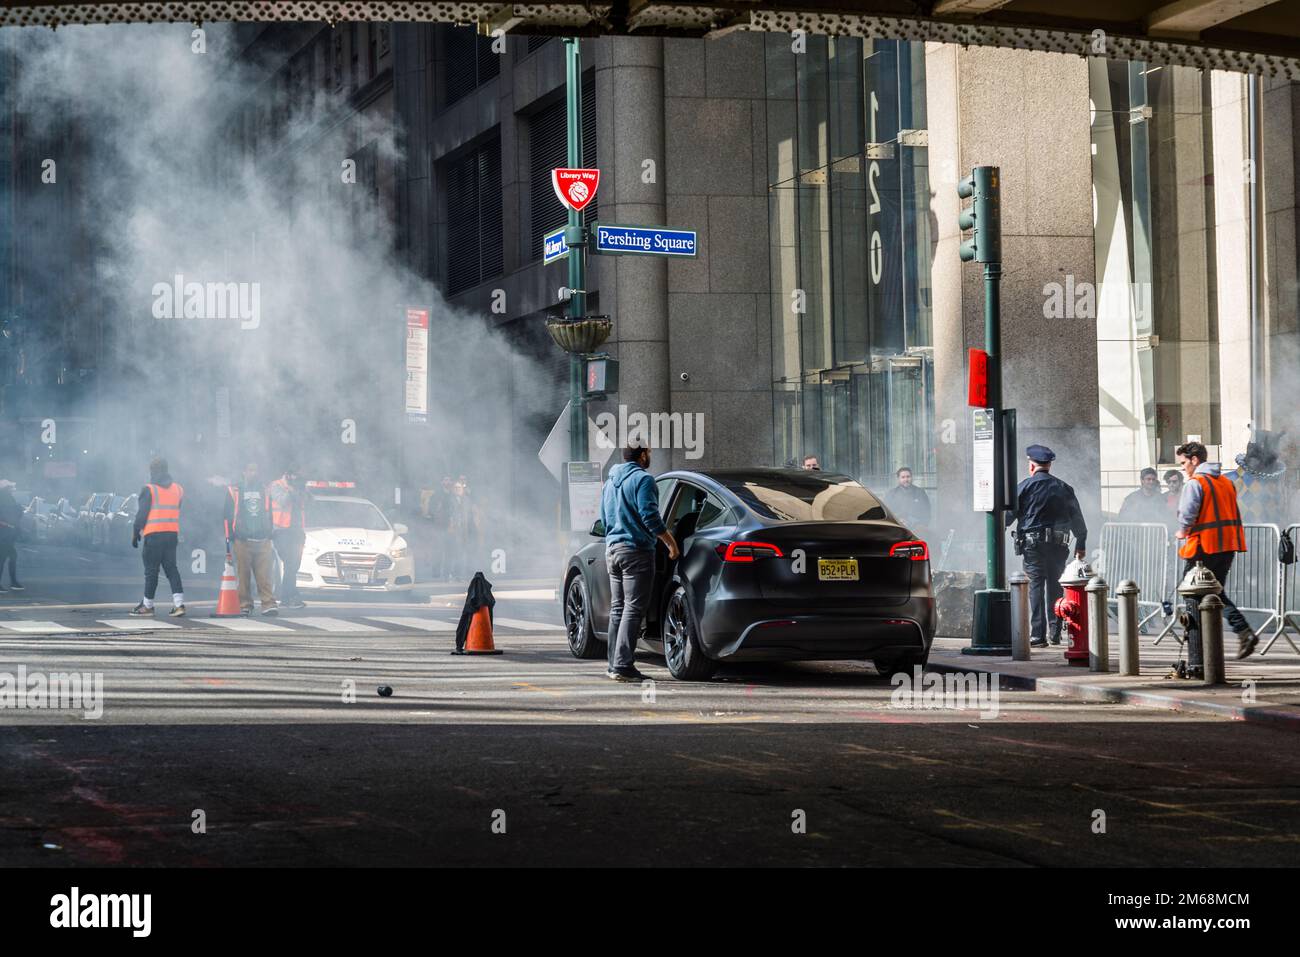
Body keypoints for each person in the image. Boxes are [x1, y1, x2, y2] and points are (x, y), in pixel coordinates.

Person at [1174, 441, 1256, 674]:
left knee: (1194, 594)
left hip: (1203, 547)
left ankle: (1199, 653)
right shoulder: (1226, 483)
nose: (1183, 468)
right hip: (1227, 545)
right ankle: (1239, 632)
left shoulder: (1195, 483)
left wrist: (1181, 532)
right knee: (1215, 593)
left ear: (1195, 460)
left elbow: (1187, 514)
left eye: (1183, 463)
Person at [600, 445, 678, 682]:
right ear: (642, 454)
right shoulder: (644, 480)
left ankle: (614, 664)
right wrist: (671, 543)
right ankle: (623, 665)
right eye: (649, 453)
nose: (650, 457)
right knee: (633, 609)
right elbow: (650, 517)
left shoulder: (611, 479)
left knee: (618, 608)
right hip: (636, 551)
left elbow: (604, 517)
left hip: (612, 550)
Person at [1006, 444, 1089, 648]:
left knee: (1035, 586)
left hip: (1032, 546)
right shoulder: (1064, 488)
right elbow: (1078, 519)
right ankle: (1054, 631)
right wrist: (1081, 543)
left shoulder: (1024, 486)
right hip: (1058, 546)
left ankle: (1037, 635)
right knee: (1055, 586)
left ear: (1031, 465)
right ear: (1049, 465)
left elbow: (1008, 517)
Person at [129, 457, 185, 617]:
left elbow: (142, 514)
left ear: (152, 471)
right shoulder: (178, 489)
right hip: (172, 534)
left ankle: (147, 606)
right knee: (172, 569)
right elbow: (176, 508)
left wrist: (135, 532)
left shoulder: (149, 489)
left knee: (151, 571)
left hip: (153, 535)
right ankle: (179, 605)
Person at [224, 462, 277, 616]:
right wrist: (231, 537)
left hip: (263, 539)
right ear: (244, 471)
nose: (253, 473)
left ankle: (268, 604)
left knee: (265, 575)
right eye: (250, 470)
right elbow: (226, 515)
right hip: (243, 540)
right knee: (243, 575)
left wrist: (269, 532)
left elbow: (270, 512)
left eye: (256, 470)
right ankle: (245, 604)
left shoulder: (265, 490)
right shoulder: (234, 490)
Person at [269, 465, 307, 609]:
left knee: (294, 565)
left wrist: (302, 490)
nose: (297, 478)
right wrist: (291, 491)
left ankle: (288, 597)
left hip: (297, 531)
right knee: (290, 563)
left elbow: (310, 501)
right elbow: (283, 501)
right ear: (287, 474)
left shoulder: (299, 487)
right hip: (281, 531)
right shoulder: (276, 486)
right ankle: (291, 596)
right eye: (295, 475)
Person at [883, 466, 931, 531]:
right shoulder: (891, 494)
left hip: (917, 529)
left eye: (908, 477)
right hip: (897, 528)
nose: (906, 479)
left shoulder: (920, 492)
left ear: (912, 477)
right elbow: (886, 513)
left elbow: (927, 512)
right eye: (903, 477)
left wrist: (922, 525)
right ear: (898, 479)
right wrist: (898, 520)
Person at [0, 480, 23, 592]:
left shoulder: (9, 498)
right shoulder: (4, 498)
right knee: (3, 558)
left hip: (8, 532)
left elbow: (14, 513)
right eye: (10, 487)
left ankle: (14, 582)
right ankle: (13, 582)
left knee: (11, 556)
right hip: (3, 533)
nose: (13, 489)